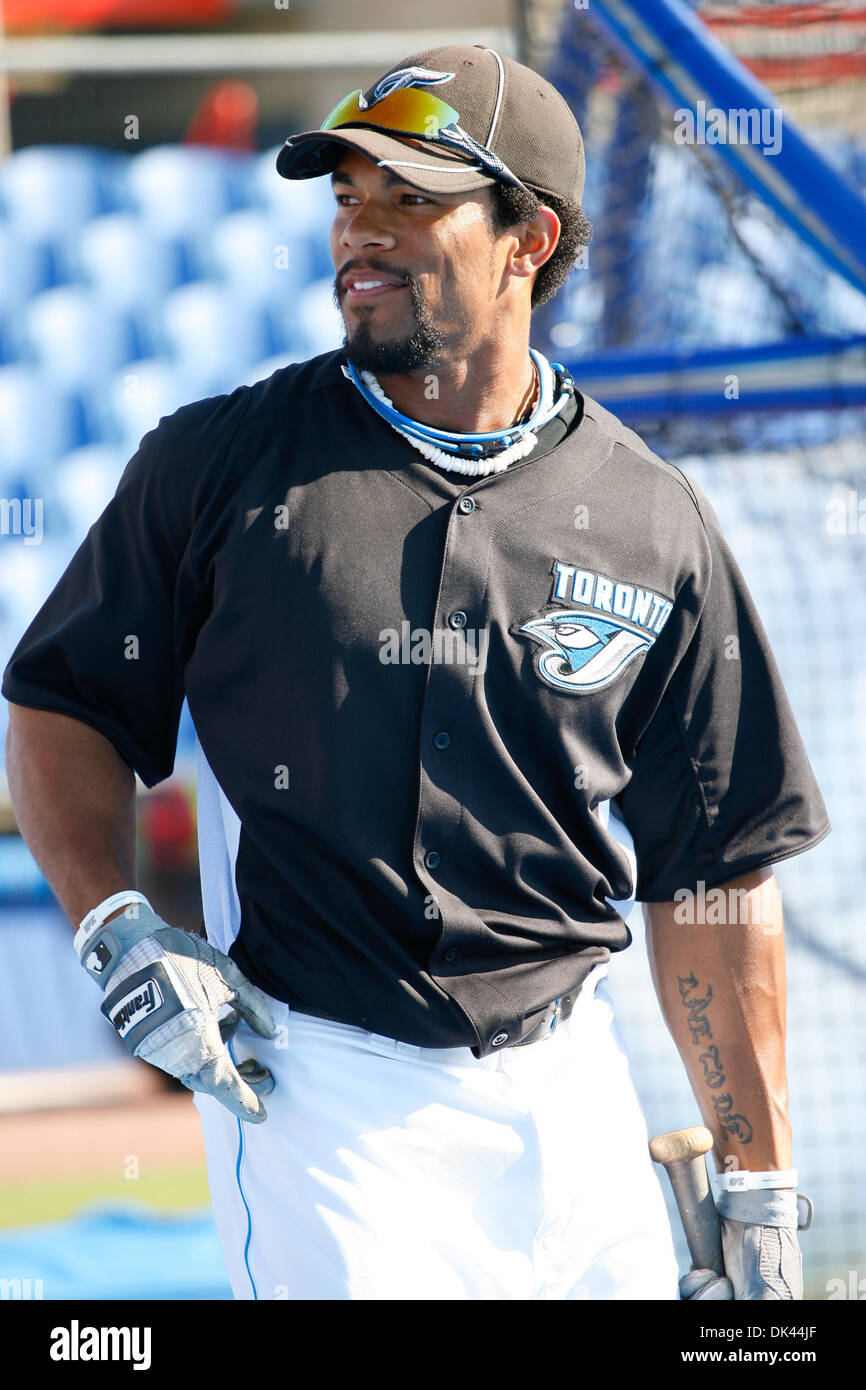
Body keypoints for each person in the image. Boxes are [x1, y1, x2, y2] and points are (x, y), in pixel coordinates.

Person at [2, 43, 829, 1301]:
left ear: (526, 240)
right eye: (344, 197)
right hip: (321, 1091)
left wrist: (758, 1178)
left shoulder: (654, 515)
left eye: (409, 196)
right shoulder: (216, 464)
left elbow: (716, 864)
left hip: (576, 1091)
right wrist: (118, 925)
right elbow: (68, 700)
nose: (359, 231)